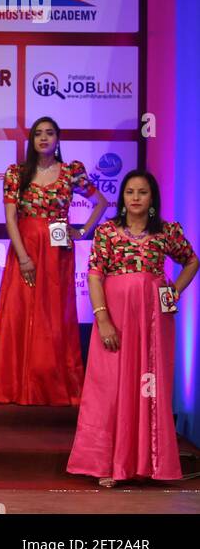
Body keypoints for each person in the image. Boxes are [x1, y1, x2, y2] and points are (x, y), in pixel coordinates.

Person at [67, 170, 198, 486]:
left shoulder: (167, 231)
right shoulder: (108, 232)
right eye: (129, 192)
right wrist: (102, 318)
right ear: (122, 198)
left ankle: (148, 463)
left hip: (154, 321)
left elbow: (191, 261)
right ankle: (109, 464)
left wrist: (174, 291)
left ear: (152, 198)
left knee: (147, 384)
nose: (136, 197)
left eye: (142, 192)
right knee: (110, 388)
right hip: (115, 318)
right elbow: (95, 275)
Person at [0, 117, 108, 405]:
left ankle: (53, 385)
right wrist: (24, 257)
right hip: (24, 248)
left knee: (55, 315)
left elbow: (100, 202)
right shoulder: (17, 173)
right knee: (19, 313)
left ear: (58, 139)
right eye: (38, 133)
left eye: (49, 133)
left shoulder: (70, 172)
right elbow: (11, 219)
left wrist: (83, 231)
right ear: (31, 140)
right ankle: (13, 387)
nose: (43, 138)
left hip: (57, 252)